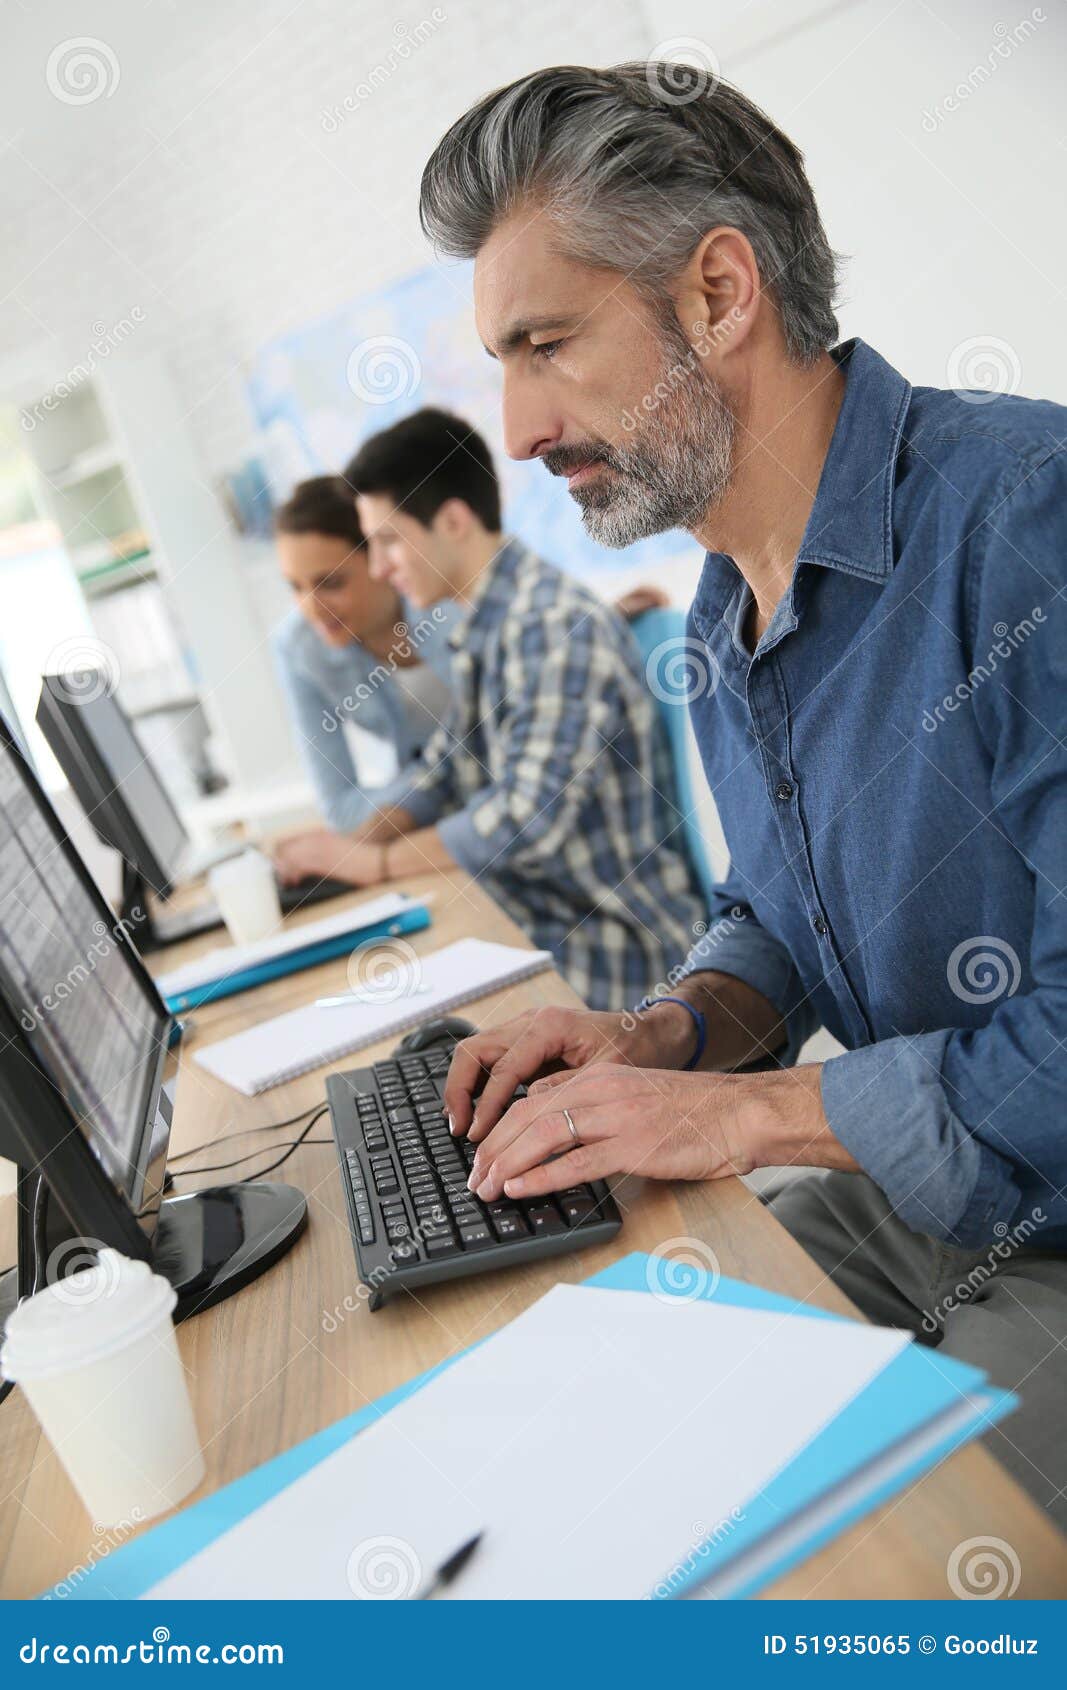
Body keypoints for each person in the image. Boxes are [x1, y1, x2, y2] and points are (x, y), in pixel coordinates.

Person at [416, 63, 1067, 1524]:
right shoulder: (722, 616)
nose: (516, 428)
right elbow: (775, 917)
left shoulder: (1025, 515)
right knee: (569, 1442)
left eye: (545, 346)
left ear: (717, 294)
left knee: (839, 1552)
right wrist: (667, 1033)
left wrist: (741, 1117)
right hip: (921, 1211)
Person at [273, 407, 704, 1011]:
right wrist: (354, 843)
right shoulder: (489, 624)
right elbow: (449, 768)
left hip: (613, 967)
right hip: (545, 931)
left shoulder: (547, 625)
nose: (378, 569)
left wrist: (376, 865)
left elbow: (522, 823)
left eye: (389, 542)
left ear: (452, 521)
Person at [271, 475, 456, 833]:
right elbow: (340, 809)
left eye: (332, 583)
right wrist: (437, 787)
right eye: (296, 587)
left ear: (380, 557)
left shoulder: (446, 602)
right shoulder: (299, 648)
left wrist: (407, 803)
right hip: (447, 822)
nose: (312, 609)